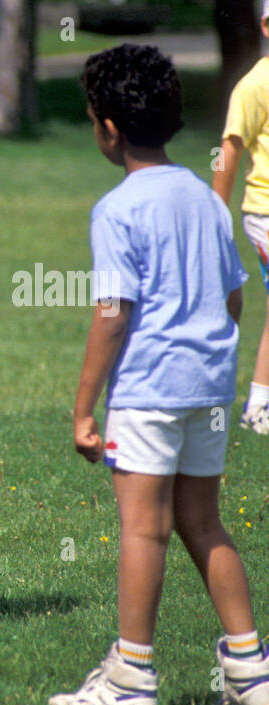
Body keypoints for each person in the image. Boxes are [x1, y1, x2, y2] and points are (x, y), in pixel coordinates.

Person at [49, 44, 268, 705]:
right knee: (205, 524)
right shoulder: (205, 202)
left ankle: (131, 682)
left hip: (147, 393)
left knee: (143, 530)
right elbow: (234, 298)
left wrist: (84, 408)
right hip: (209, 389)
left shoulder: (117, 210)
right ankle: (252, 675)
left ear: (108, 130)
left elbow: (113, 316)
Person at [212, 1, 269, 435]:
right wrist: (216, 219)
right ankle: (259, 406)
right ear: (266, 25)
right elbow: (229, 149)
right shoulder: (255, 85)